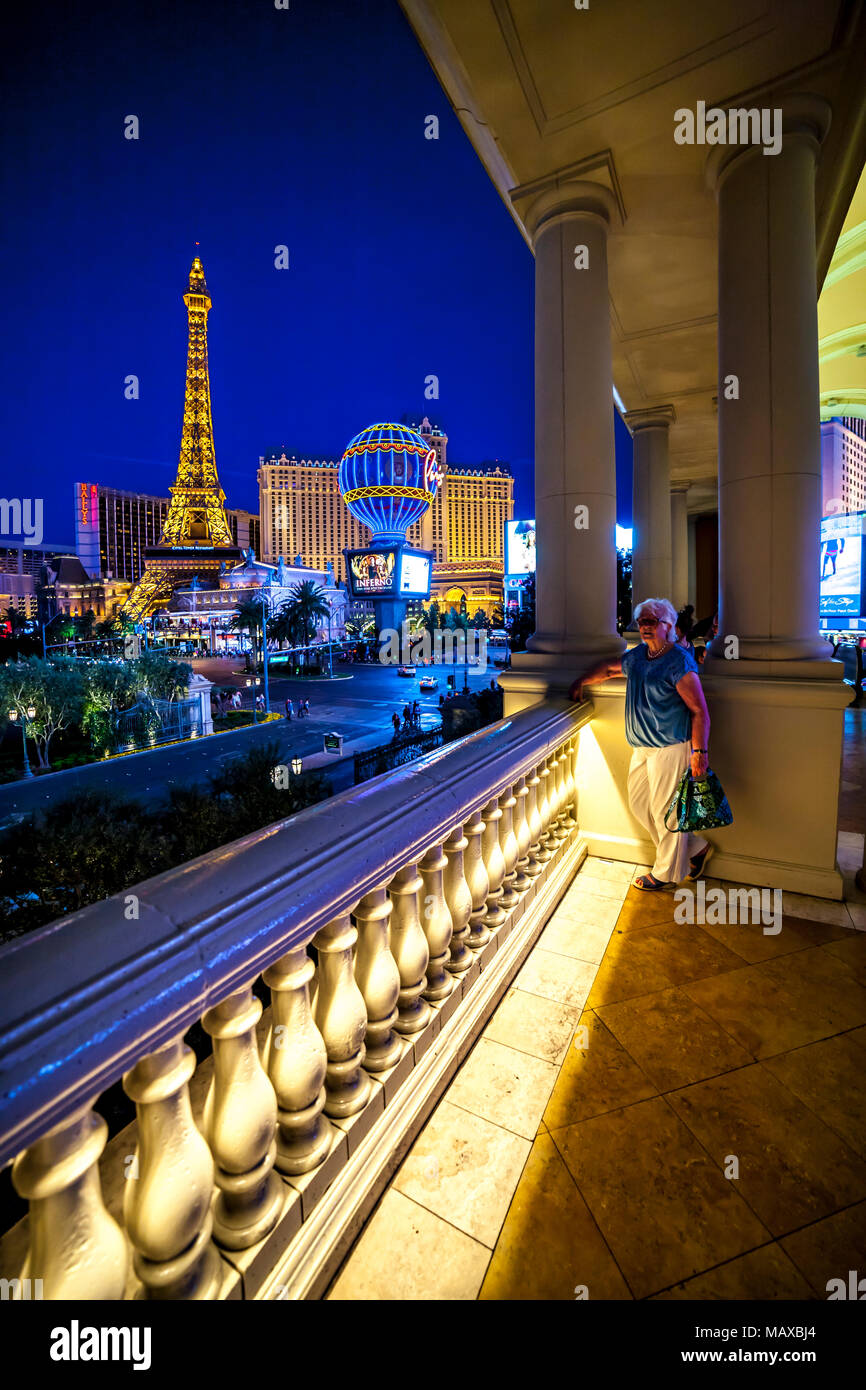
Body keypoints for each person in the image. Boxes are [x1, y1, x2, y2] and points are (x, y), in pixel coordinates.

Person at [570, 596, 713, 890]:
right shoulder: (638, 656)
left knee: (665, 811)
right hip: (642, 745)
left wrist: (699, 752)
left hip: (672, 746)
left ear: (668, 625)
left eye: (652, 621)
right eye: (642, 621)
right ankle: (695, 847)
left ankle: (665, 873)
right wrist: (582, 680)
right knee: (639, 805)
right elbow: (610, 669)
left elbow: (699, 711)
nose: (645, 627)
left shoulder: (679, 661)